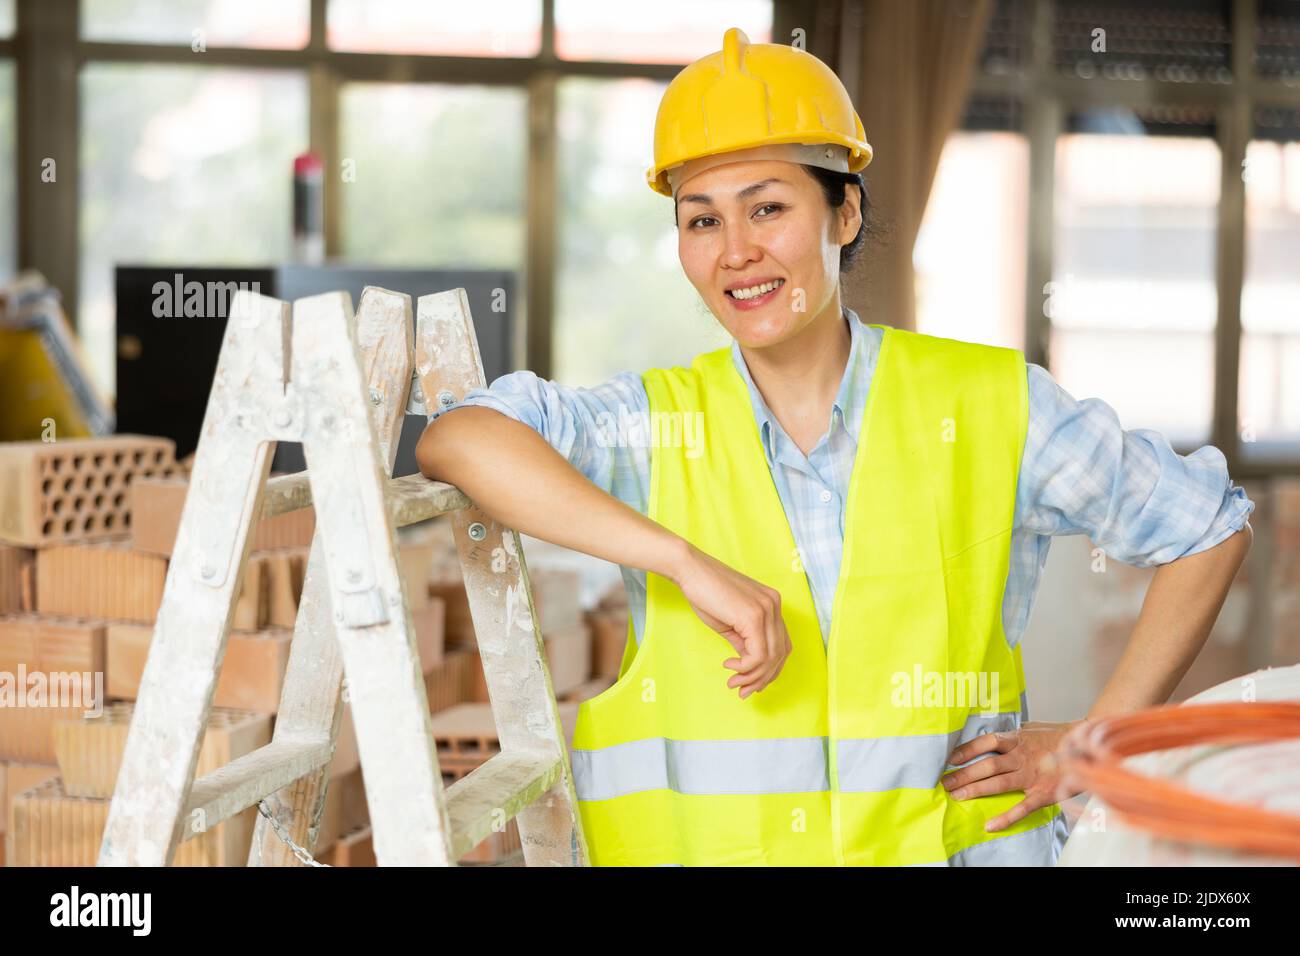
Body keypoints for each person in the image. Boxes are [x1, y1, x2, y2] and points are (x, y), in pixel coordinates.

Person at [416, 27, 1254, 866]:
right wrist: (681, 560)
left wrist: (1091, 741)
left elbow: (1208, 527)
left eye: (768, 207)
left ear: (844, 212)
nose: (736, 250)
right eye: (701, 219)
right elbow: (461, 441)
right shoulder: (651, 422)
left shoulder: (992, 405)